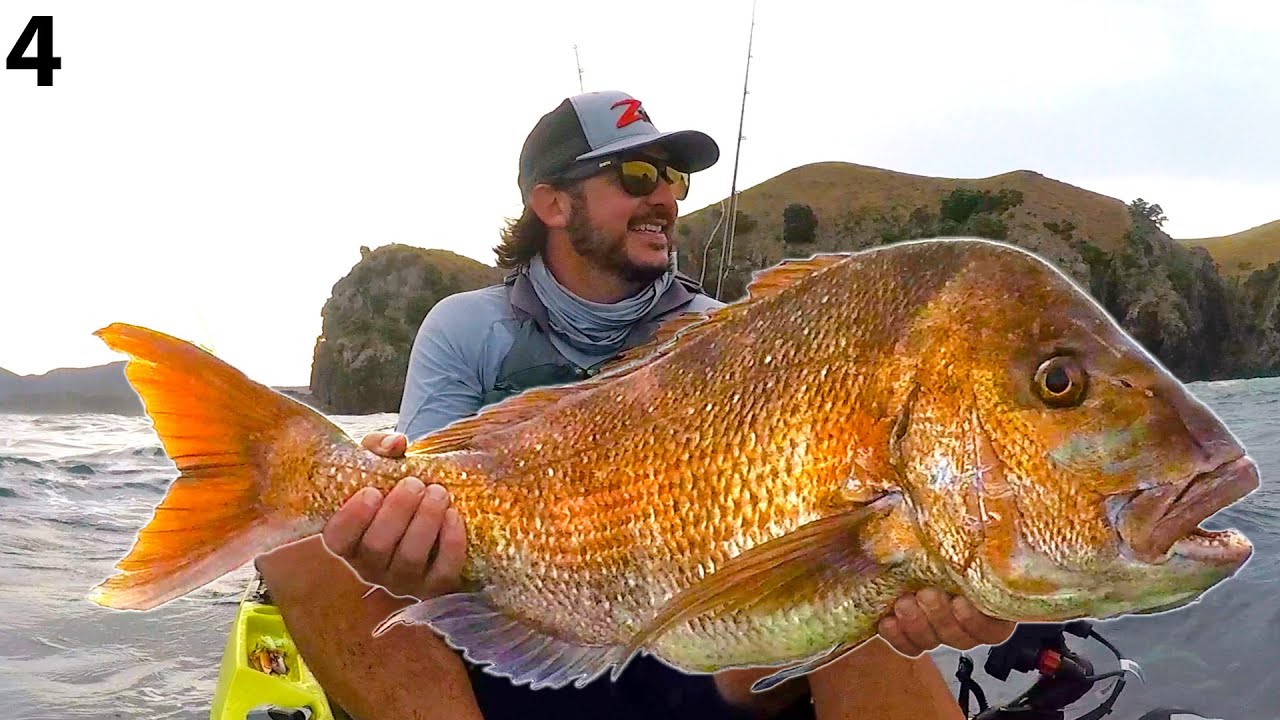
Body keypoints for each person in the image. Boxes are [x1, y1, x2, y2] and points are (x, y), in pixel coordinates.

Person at [255, 90, 1015, 719]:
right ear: (551, 203)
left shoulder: (726, 335)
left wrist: (951, 571)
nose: (663, 196)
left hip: (704, 642)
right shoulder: (467, 327)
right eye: (637, 174)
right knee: (297, 545)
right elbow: (434, 507)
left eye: (673, 179)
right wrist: (397, 530)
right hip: (525, 629)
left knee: (861, 603)